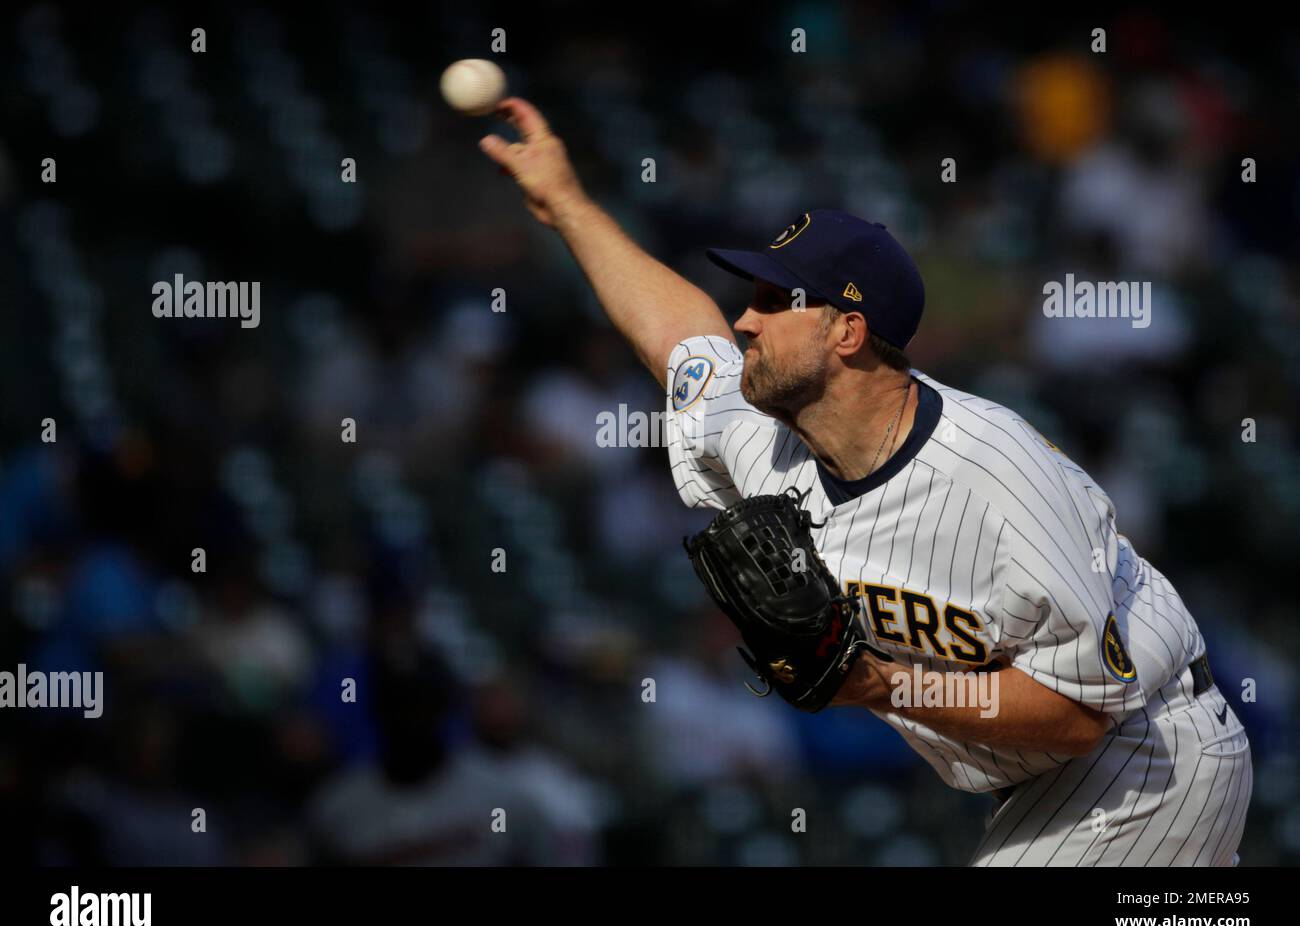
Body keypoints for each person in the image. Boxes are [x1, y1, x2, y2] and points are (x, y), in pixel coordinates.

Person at [478, 98, 1252, 866]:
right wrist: (570, 204)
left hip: (1146, 757)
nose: (746, 321)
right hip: (1040, 790)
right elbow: (680, 338)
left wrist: (883, 686)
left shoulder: (995, 473)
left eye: (777, 301)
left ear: (847, 332)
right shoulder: (765, 442)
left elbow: (1081, 715)